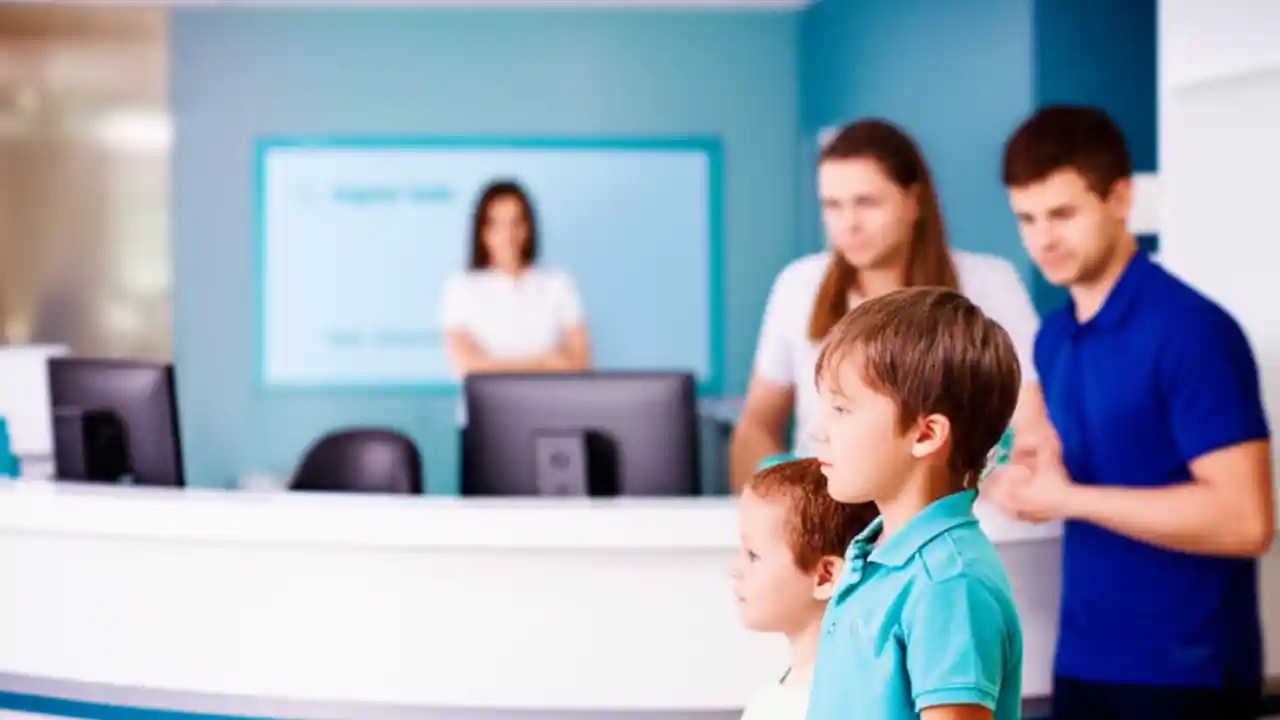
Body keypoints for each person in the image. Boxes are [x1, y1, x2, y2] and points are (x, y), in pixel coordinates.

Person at [985, 105, 1274, 719]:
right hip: (1084, 662)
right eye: (1026, 219)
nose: (1043, 239)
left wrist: (1069, 500)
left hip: (1188, 672)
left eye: (1062, 213)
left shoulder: (1193, 331)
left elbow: (1246, 517)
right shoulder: (1054, 339)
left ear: (1120, 199)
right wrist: (1020, 476)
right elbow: (1073, 465)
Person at [731, 119, 1044, 491]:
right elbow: (757, 424)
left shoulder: (990, 284)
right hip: (830, 520)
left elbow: (1031, 427)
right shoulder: (799, 285)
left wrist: (1009, 481)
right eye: (832, 205)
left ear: (914, 201)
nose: (849, 224)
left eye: (867, 202)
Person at [806, 287, 1024, 720]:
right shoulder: (873, 555)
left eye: (842, 410)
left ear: (926, 435)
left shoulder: (948, 583)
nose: (818, 430)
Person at [732, 457, 878, 720]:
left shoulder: (846, 702)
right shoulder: (772, 698)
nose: (734, 570)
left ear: (825, 576)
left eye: (753, 555)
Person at [441, 180, 590, 378]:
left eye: (516, 223)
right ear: (482, 232)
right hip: (487, 409)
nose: (508, 235)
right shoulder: (461, 287)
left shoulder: (558, 284)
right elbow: (466, 367)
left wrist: (492, 364)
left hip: (549, 406)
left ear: (529, 228)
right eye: (496, 224)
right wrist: (549, 362)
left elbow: (580, 363)